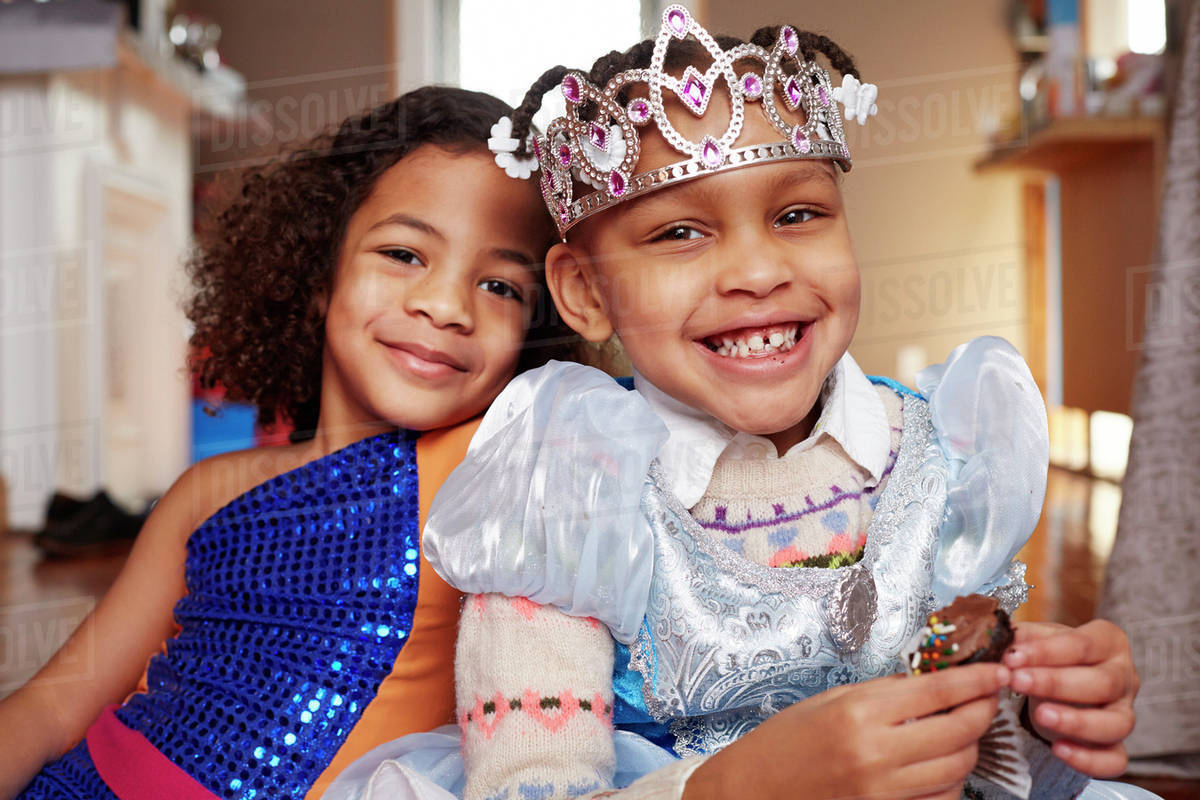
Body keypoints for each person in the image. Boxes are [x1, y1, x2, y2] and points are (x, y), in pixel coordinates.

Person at [336, 8, 1147, 800]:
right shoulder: (568, 496)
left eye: (798, 215)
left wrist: (1044, 723)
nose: (758, 272)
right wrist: (744, 783)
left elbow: (982, 760)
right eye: (680, 234)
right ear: (584, 292)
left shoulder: (943, 450)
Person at [0, 85, 571, 800]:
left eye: (499, 286)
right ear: (317, 276)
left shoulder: (495, 460)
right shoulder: (209, 489)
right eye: (402, 253)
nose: (446, 306)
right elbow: (56, 704)